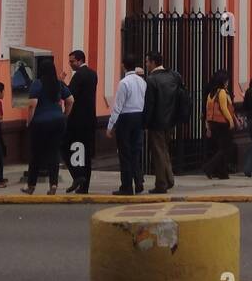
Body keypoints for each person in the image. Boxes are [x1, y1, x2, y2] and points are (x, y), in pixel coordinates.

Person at [23, 59, 73, 196]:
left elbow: (33, 104)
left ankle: (31, 185)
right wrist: (64, 115)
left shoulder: (37, 84)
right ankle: (53, 184)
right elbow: (70, 100)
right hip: (58, 122)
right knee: (53, 153)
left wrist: (29, 121)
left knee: (35, 154)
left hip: (40, 122)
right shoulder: (58, 84)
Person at [143, 50, 186, 194]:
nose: (146, 64)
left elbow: (149, 104)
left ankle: (162, 183)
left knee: (158, 152)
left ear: (153, 62)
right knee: (165, 150)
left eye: (148, 61)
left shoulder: (151, 80)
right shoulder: (173, 76)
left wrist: (145, 122)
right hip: (171, 120)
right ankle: (169, 178)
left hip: (157, 121)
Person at [107, 53, 147, 196]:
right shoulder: (142, 82)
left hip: (126, 118)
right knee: (136, 151)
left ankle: (126, 186)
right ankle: (139, 181)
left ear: (124, 65)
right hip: (139, 116)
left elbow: (118, 106)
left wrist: (110, 125)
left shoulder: (124, 83)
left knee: (125, 153)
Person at [63, 49, 98, 195]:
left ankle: (78, 176)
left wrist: (61, 83)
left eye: (72, 61)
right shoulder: (93, 74)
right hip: (90, 118)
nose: (70, 64)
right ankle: (85, 186)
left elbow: (70, 95)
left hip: (77, 120)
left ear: (79, 60)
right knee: (86, 154)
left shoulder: (78, 76)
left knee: (70, 149)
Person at [204, 70, 237, 180]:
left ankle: (222, 173)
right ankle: (209, 167)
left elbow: (207, 109)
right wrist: (231, 121)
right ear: (223, 82)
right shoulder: (222, 92)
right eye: (226, 81)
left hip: (214, 123)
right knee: (225, 148)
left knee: (220, 148)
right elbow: (224, 108)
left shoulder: (211, 94)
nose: (228, 83)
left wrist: (208, 124)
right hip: (222, 124)